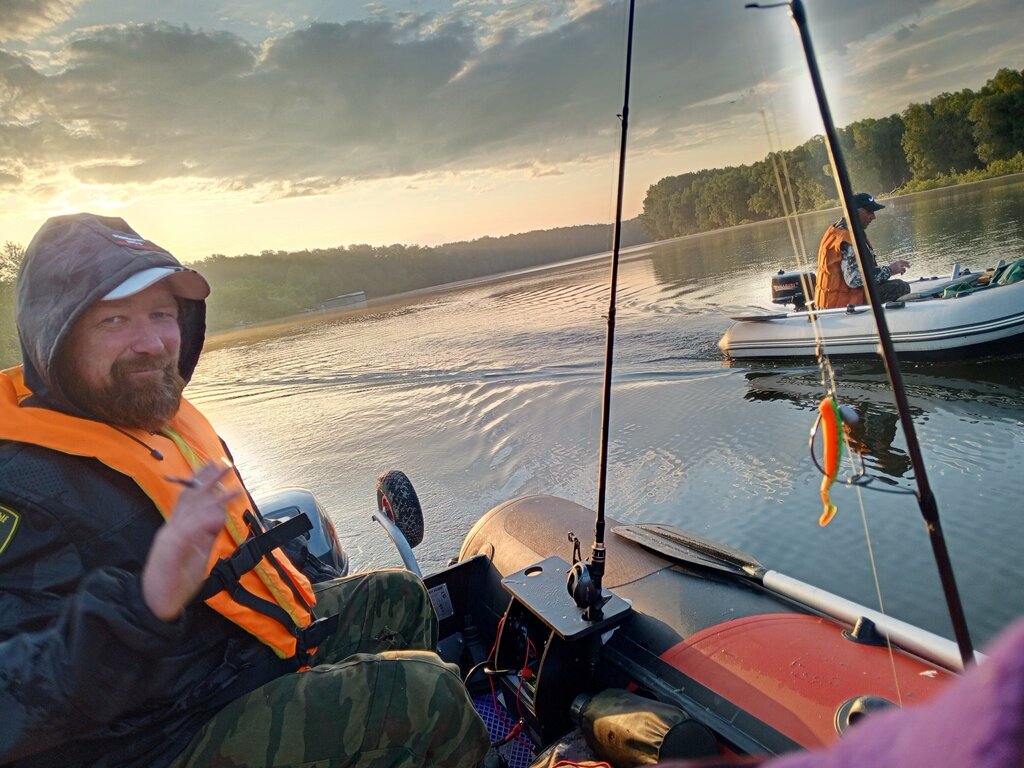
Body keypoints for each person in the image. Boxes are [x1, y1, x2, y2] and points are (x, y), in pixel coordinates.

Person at [0, 213, 491, 768]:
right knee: (427, 696)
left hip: (222, 659)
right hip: (158, 738)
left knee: (398, 595)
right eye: (114, 320)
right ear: (55, 337)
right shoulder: (21, 486)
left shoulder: (139, 418)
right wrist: (144, 604)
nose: (150, 342)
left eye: (161, 314)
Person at [813, 192, 911, 309]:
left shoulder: (840, 229)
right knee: (901, 287)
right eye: (869, 211)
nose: (873, 217)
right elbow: (854, 280)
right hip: (839, 306)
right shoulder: (847, 240)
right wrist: (889, 270)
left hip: (829, 302)